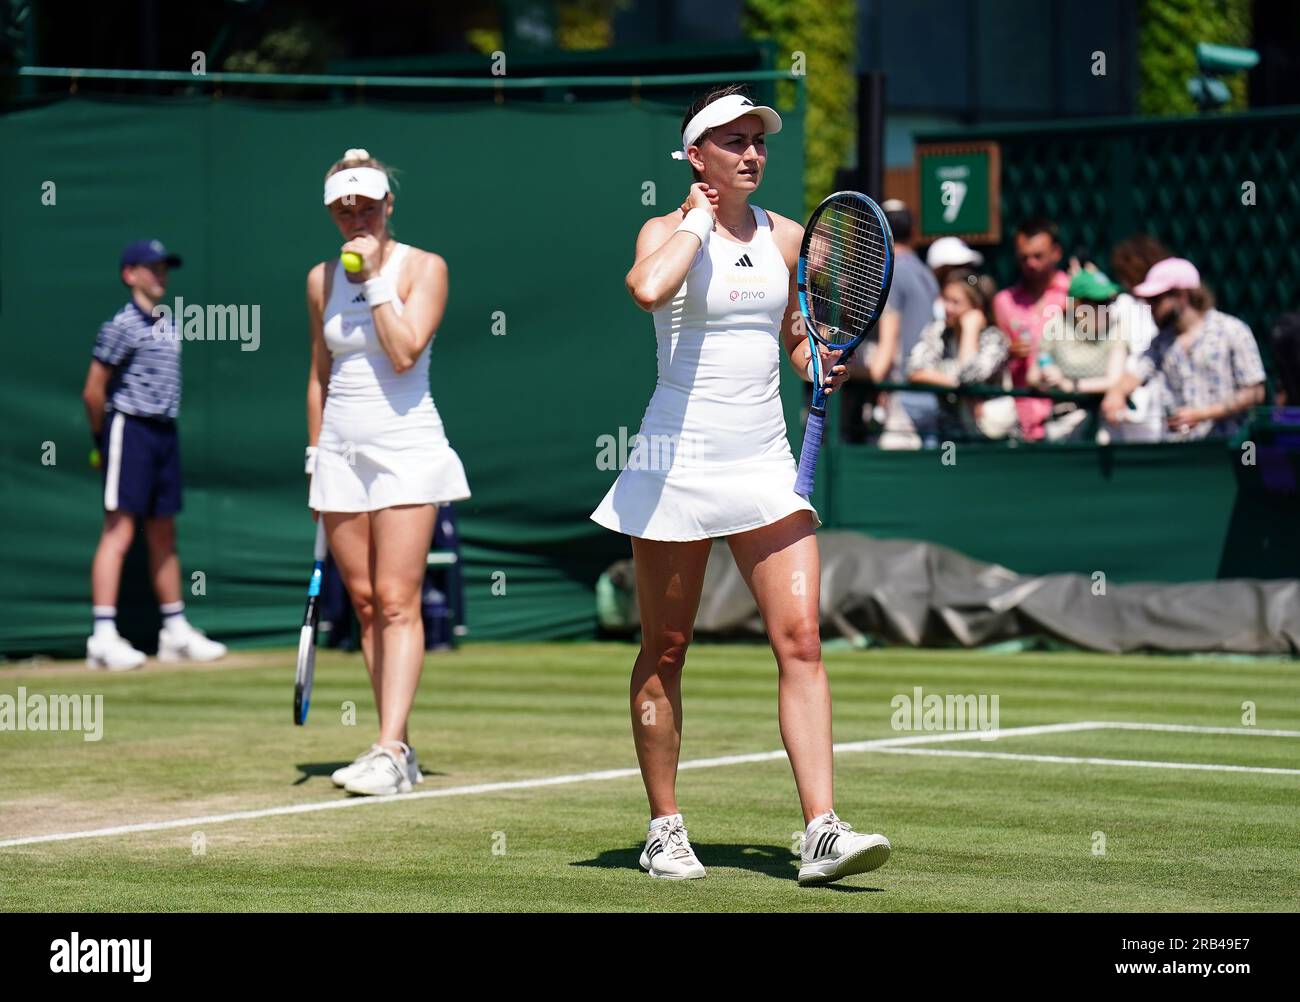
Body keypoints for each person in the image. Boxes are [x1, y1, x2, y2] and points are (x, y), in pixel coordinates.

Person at [591, 86, 892, 886]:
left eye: (758, 140)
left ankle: (821, 829)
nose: (752, 152)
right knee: (667, 647)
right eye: (733, 141)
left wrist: (816, 362)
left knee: (801, 641)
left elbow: (798, 339)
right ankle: (664, 827)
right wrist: (696, 220)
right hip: (674, 466)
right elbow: (647, 289)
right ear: (698, 157)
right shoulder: (667, 230)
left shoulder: (788, 236)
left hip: (763, 462)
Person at [307, 148, 471, 796]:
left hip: (407, 449)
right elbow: (319, 373)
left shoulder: (424, 267)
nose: (356, 217)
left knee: (399, 600)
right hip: (340, 453)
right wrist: (315, 450)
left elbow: (404, 352)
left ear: (388, 204)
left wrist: (375, 278)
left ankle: (390, 747)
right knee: (369, 604)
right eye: (344, 208)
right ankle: (392, 743)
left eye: (366, 205)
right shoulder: (320, 277)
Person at [82, 239, 227, 670]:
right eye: (151, 268)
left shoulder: (167, 322)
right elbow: (94, 390)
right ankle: (103, 637)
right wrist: (102, 442)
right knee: (119, 532)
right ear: (130, 274)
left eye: (164, 268)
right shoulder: (120, 326)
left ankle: (174, 632)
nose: (159, 275)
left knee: (164, 533)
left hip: (165, 433)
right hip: (130, 429)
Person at [1102, 258, 1265, 440]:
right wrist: (1116, 393)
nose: (1149, 306)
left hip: (1232, 447)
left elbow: (1255, 392)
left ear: (1182, 296)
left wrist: (1203, 414)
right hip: (1183, 450)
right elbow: (1137, 373)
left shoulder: (1232, 330)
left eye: (1155, 299)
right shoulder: (1161, 342)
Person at [869, 200, 941, 448]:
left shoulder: (893, 273)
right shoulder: (927, 275)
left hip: (902, 402)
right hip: (928, 397)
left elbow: (888, 346)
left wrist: (867, 380)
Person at [906, 270, 1010, 440]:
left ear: (977, 308)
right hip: (950, 436)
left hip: (990, 439)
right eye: (945, 299)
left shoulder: (995, 339)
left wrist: (970, 329)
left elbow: (969, 376)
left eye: (956, 302)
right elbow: (915, 370)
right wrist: (955, 384)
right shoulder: (938, 331)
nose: (947, 308)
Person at [1028, 269, 1130, 441]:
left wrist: (1071, 385)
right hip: (1063, 422)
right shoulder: (1056, 325)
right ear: (1075, 304)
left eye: (1108, 302)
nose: (1104, 308)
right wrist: (1046, 377)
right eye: (1096, 302)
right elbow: (1033, 376)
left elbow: (1114, 379)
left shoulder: (1116, 328)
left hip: (1106, 421)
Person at [992, 218, 1071, 441]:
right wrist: (1008, 351)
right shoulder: (1004, 301)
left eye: (1038, 256)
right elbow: (995, 353)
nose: (1031, 264)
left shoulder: (1073, 294)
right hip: (1020, 415)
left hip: (1066, 412)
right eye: (1024, 257)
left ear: (1056, 252)